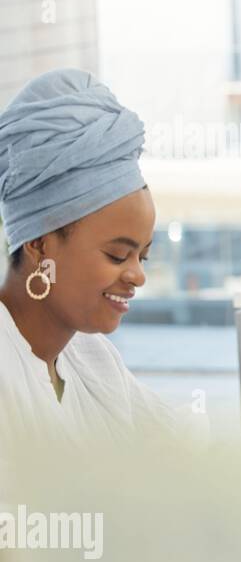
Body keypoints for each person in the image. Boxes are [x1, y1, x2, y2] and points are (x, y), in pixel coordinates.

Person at [0, 69, 187, 450]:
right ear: (38, 243)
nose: (137, 276)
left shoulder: (88, 355)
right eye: (118, 255)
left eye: (143, 256)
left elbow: (190, 452)